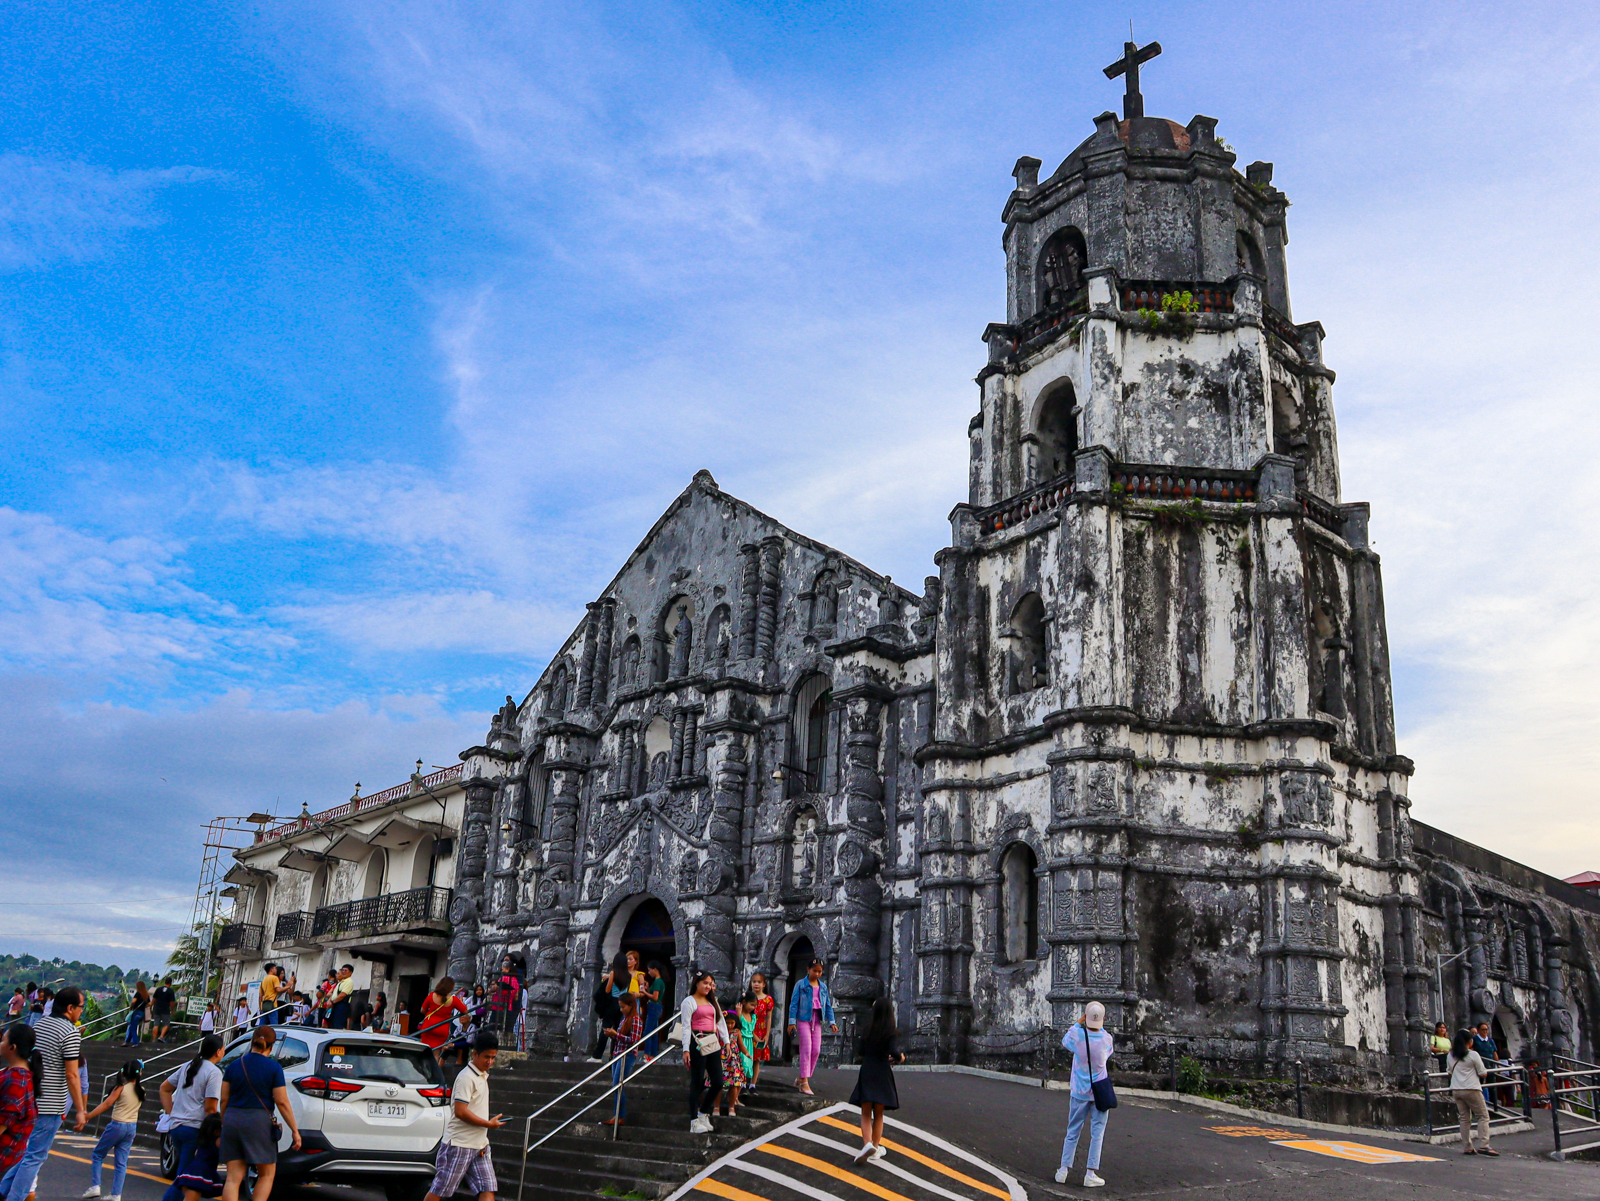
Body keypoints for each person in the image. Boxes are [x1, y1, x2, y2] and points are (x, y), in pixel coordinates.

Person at [1, 987, 87, 1201]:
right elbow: (72, 1075)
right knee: (35, 1157)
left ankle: (4, 1192)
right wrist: (81, 1110)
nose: (81, 1012)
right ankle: (15, 1198)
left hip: (32, 1099)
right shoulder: (70, 1033)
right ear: (70, 1008)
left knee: (25, 1155)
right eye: (81, 1007)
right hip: (51, 1105)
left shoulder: (40, 1024)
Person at [218, 1025, 302, 1201]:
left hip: (233, 1118)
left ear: (251, 1041)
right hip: (258, 1122)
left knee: (233, 1178)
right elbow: (281, 1101)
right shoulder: (273, 1068)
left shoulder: (234, 1066)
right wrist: (294, 1130)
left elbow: (224, 1099)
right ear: (271, 1046)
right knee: (266, 1173)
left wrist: (223, 1122)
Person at [422, 1030, 504, 1201]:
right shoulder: (466, 1077)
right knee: (440, 1190)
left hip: (480, 1145)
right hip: (459, 1144)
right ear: (475, 1054)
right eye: (486, 1057)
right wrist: (488, 1124)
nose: (490, 1062)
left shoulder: (482, 1075)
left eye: (493, 1058)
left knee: (488, 1188)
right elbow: (460, 1111)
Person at [1054, 1000, 1113, 1188]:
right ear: (1103, 1019)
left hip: (1079, 1091)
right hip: (1099, 1092)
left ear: (1086, 1018)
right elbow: (1107, 1052)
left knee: (1072, 1131)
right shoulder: (1107, 1039)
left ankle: (1063, 1171)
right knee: (1097, 1133)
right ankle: (1090, 1173)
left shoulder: (1077, 1036)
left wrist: (1079, 1023)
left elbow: (1065, 1040)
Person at [159, 1034, 224, 1201]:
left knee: (186, 1176)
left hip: (176, 1127)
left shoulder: (188, 1066)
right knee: (184, 1179)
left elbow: (164, 1088)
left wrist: (171, 1112)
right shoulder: (214, 1073)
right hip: (195, 1129)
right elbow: (210, 1108)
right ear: (218, 1052)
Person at [848, 996, 903, 1166]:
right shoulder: (891, 1031)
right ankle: (876, 1148)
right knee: (879, 1113)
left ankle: (867, 1144)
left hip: (868, 1069)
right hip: (882, 1070)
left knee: (866, 1112)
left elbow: (860, 1051)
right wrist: (899, 1058)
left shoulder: (867, 1030)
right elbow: (894, 1051)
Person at [82, 1059, 145, 1200]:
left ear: (123, 1072)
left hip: (117, 1125)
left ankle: (95, 1186)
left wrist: (89, 1116)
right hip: (131, 1127)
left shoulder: (120, 1088)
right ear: (139, 1073)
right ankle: (116, 1194)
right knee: (121, 1163)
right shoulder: (141, 1091)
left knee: (98, 1154)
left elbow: (107, 1104)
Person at [678, 973, 727, 1134]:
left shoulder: (712, 1001)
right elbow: (685, 1026)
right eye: (705, 983)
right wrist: (686, 1049)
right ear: (697, 983)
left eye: (710, 984)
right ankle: (694, 1121)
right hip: (696, 1041)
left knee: (718, 1081)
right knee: (697, 1081)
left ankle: (703, 1112)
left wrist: (726, 1042)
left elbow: (720, 1021)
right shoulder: (689, 1001)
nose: (708, 986)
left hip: (712, 1041)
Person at [785, 959, 838, 1096]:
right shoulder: (800, 985)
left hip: (817, 1019)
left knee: (816, 1050)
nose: (817, 974)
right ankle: (804, 1082)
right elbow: (793, 1004)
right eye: (815, 970)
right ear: (808, 969)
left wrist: (832, 1021)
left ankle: (802, 1078)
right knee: (806, 1048)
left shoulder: (823, 987)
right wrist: (792, 1022)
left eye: (820, 971)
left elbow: (827, 1006)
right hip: (803, 1019)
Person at [1448, 1027, 1497, 1156]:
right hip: (1471, 1088)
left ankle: (1467, 1146)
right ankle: (1484, 1145)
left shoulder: (1450, 1055)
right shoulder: (1473, 1054)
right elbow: (1483, 1073)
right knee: (1483, 1116)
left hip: (1456, 1089)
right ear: (1469, 1042)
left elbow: (1449, 1072)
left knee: (1464, 1119)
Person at [0, 1023, 38, 1183]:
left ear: (12, 1047)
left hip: (4, 1155)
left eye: (2, 1040)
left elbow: (4, 1121)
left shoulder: (17, 1081)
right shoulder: (12, 1074)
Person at [600, 994, 644, 1127]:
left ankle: (620, 1116)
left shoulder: (636, 1020)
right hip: (618, 1054)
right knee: (616, 1086)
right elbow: (621, 1038)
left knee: (617, 1085)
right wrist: (612, 1035)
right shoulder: (624, 1019)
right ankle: (617, 1115)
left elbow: (634, 1041)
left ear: (630, 1006)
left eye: (623, 1007)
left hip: (627, 1055)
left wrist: (616, 1035)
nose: (621, 1010)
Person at [171, 1114, 224, 1201]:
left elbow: (196, 1154)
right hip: (201, 1174)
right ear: (217, 1131)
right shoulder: (218, 1141)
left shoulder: (203, 1140)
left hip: (191, 1172)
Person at [418, 978, 468, 1067]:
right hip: (442, 1028)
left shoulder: (431, 995)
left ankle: (423, 1071)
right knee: (436, 1054)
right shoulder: (453, 999)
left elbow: (422, 1010)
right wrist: (460, 1001)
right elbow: (465, 1010)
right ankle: (433, 1075)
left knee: (425, 1051)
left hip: (429, 1026)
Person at [747, 973, 774, 1095]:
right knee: (746, 1057)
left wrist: (767, 1034)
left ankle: (753, 1084)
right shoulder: (747, 997)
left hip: (761, 1029)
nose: (756, 984)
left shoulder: (768, 999)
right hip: (748, 1029)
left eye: (759, 982)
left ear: (764, 984)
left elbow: (769, 1018)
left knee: (757, 1059)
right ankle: (742, 1083)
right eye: (754, 981)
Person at [718, 1009, 747, 1116]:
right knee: (721, 1082)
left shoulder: (737, 1032)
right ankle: (719, 1106)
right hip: (722, 1059)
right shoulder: (720, 1032)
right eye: (727, 1022)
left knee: (736, 1081)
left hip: (734, 1060)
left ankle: (733, 1102)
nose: (730, 1025)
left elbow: (741, 1045)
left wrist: (747, 1053)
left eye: (732, 1023)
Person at [1470, 1022, 1499, 1107]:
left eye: (1486, 1029)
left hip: (1490, 1065)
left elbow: (1494, 1052)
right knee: (1480, 1085)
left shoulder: (1490, 1040)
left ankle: (1494, 1105)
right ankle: (1480, 1104)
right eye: (1483, 1029)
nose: (1485, 1031)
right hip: (1479, 1065)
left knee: (1492, 1085)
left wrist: (1498, 1064)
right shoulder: (1474, 1039)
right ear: (1478, 1030)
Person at [640, 965, 665, 1059]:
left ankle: (647, 1053)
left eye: (650, 970)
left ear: (655, 970)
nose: (649, 973)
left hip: (654, 1006)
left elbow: (655, 997)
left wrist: (644, 991)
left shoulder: (658, 981)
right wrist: (647, 988)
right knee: (654, 1032)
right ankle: (653, 1054)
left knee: (647, 1031)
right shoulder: (659, 981)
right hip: (657, 1007)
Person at [492, 959, 520, 1037]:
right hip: (509, 1004)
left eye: (503, 968)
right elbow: (516, 996)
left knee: (495, 1025)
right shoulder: (515, 980)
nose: (502, 970)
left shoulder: (504, 978)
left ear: (507, 969)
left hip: (499, 1004)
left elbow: (495, 988)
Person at [328, 966, 356, 1031]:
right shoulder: (341, 982)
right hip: (335, 1005)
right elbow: (334, 994)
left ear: (350, 973)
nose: (343, 972)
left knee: (338, 1025)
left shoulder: (349, 982)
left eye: (346, 970)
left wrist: (333, 1002)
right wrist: (330, 1001)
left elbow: (342, 995)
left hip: (342, 1004)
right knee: (333, 1024)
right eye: (342, 970)